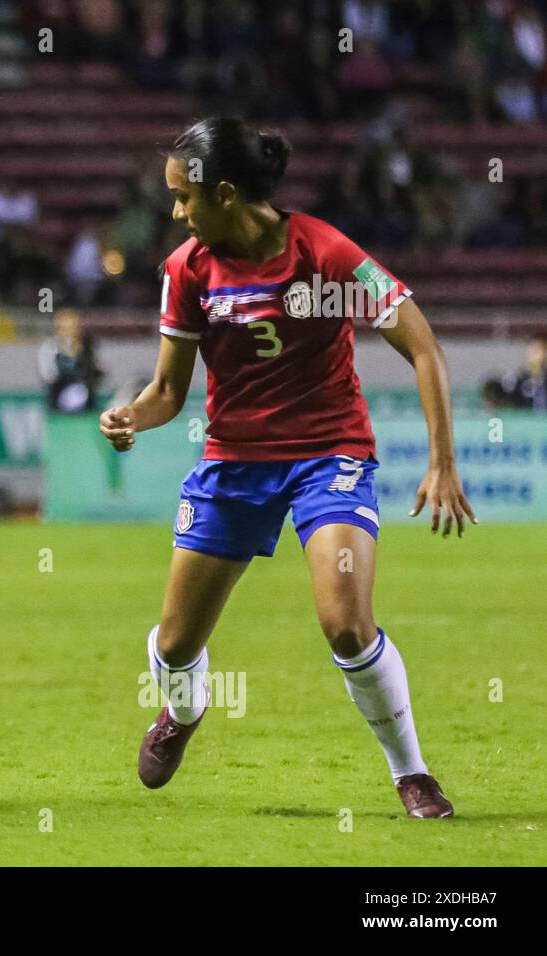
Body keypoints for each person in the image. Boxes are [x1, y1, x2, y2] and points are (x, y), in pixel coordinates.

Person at [101, 117, 475, 819]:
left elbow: (422, 346)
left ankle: (412, 773)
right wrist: (131, 417)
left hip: (328, 456)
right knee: (177, 644)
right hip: (234, 463)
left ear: (227, 193)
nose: (176, 213)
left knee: (345, 623)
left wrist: (443, 461)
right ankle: (182, 712)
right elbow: (167, 393)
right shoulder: (188, 270)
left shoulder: (325, 253)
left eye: (184, 198)